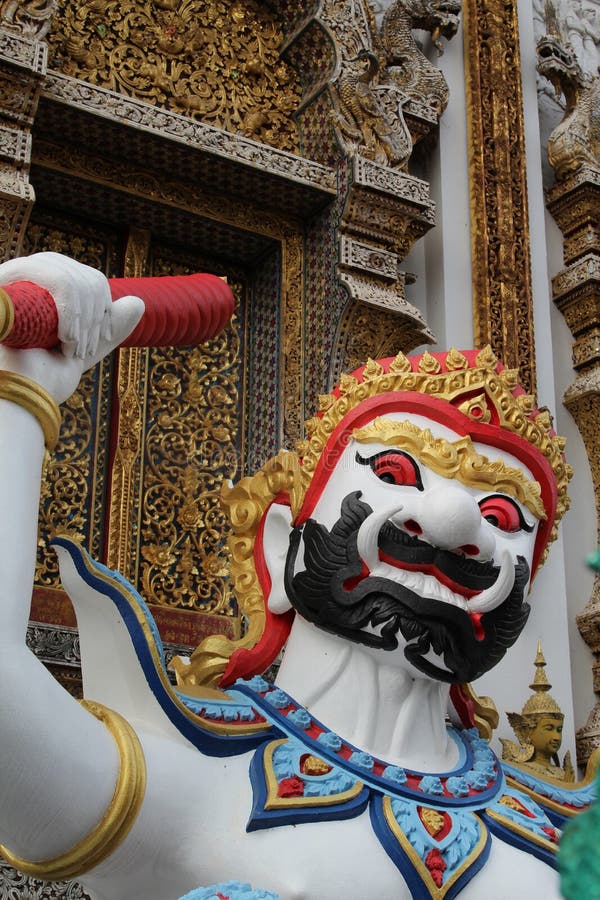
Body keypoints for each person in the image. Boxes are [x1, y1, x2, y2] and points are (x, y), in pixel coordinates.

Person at [0, 253, 577, 899]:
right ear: (280, 548)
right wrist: (18, 391)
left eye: (501, 513)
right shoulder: (198, 782)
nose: (451, 522)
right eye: (391, 473)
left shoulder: (565, 837)